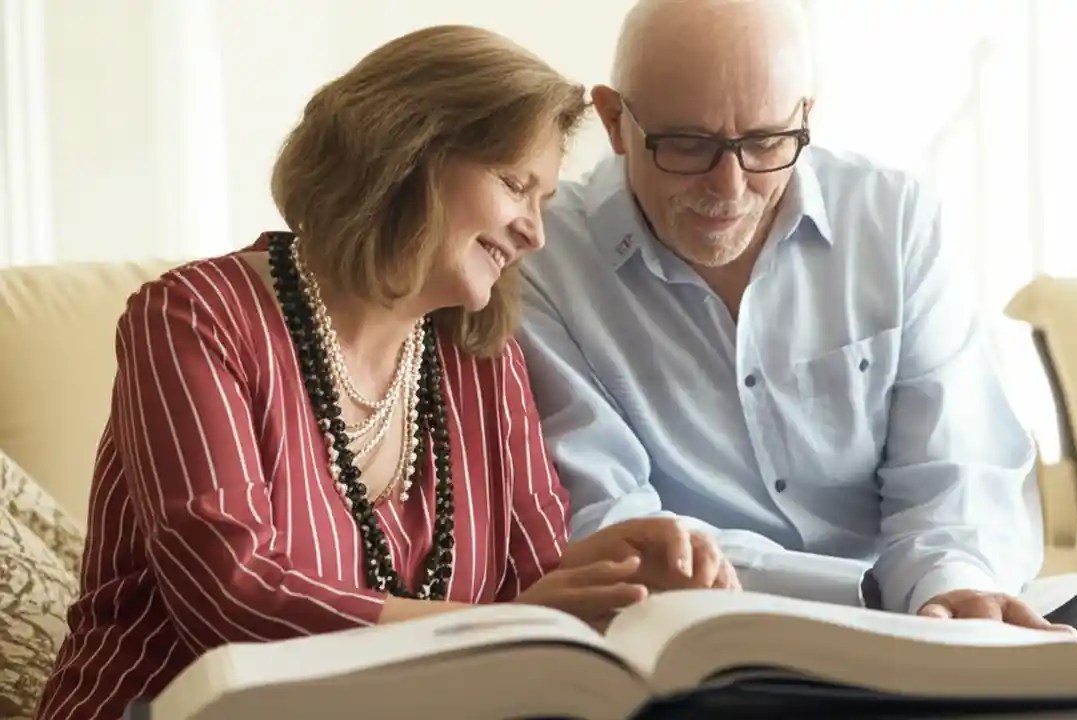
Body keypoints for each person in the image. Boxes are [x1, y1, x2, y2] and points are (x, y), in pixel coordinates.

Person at [36, 25, 731, 720]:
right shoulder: (196, 318)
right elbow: (231, 600)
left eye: (544, 202)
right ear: (406, 154)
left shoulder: (481, 358)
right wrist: (504, 628)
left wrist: (627, 574)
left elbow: (534, 592)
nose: (534, 232)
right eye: (516, 185)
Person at [518, 0, 1077, 632]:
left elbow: (958, 464)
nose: (729, 186)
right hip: (716, 625)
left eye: (767, 142)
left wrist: (951, 594)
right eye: (688, 146)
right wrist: (862, 598)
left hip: (921, 609)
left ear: (806, 116)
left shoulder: (893, 222)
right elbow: (613, 526)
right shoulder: (546, 259)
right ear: (614, 120)